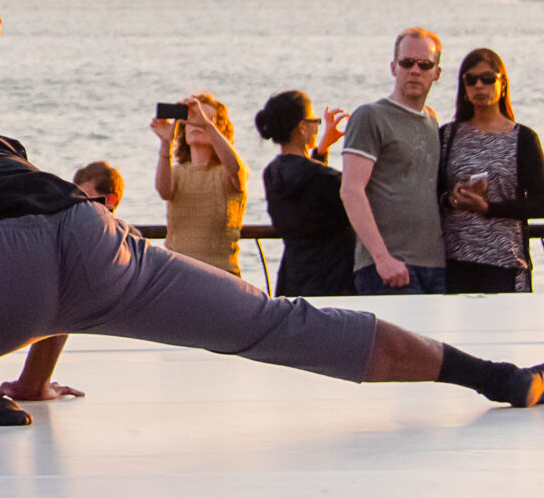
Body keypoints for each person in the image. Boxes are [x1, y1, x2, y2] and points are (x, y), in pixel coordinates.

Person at [0, 105, 544, 425]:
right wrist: (33, 377)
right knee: (276, 322)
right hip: (95, 234)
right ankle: (497, 378)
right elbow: (56, 280)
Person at [341, 29, 447, 294]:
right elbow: (351, 190)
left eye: (424, 64)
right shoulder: (370, 116)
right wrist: (381, 258)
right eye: (406, 62)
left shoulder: (432, 121)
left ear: (436, 73)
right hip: (388, 269)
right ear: (393, 67)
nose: (415, 70)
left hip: (435, 267)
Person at [438, 49, 544, 293]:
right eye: (471, 79)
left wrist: (488, 208)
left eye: (488, 78)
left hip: (504, 262)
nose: (480, 85)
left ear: (502, 84)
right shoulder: (448, 135)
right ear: (464, 88)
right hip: (455, 260)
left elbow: (542, 205)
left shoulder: (523, 138)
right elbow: (431, 193)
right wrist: (453, 198)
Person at [255, 91, 356, 297]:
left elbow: (302, 180)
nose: (317, 126)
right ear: (301, 127)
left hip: (293, 277)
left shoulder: (271, 174)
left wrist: (321, 149)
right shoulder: (327, 179)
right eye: (314, 120)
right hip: (334, 279)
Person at [151, 93, 248, 277]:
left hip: (221, 275)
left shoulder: (227, 171)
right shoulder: (178, 173)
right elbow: (163, 191)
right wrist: (165, 142)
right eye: (191, 120)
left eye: (205, 118)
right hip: (178, 273)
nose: (196, 124)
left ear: (219, 130)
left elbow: (236, 170)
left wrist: (205, 124)